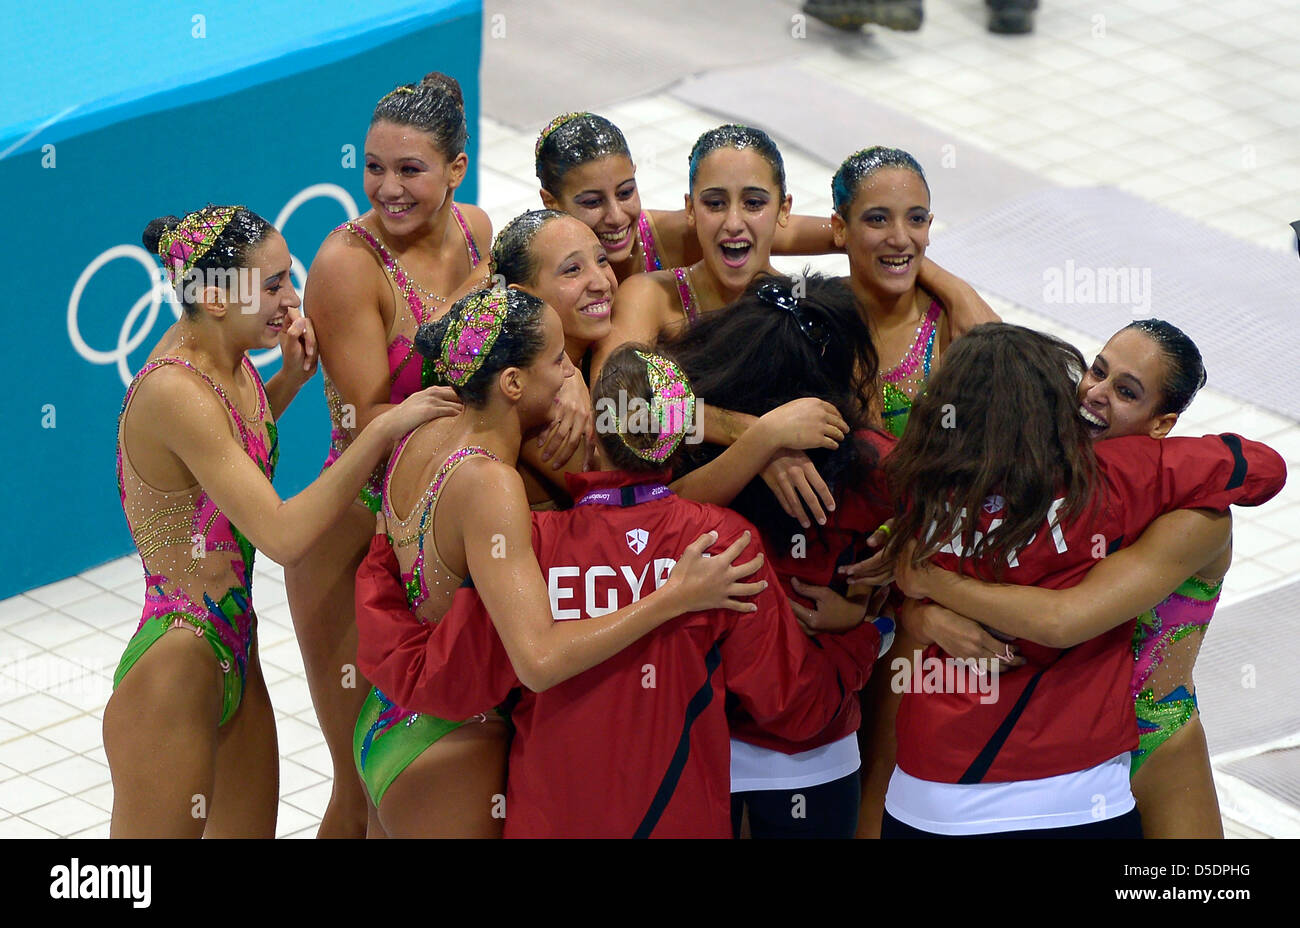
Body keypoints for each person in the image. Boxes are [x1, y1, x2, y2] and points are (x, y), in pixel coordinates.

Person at [355, 343, 894, 837]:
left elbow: (440, 676)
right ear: (678, 446)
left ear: (594, 438)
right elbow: (792, 703)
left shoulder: (532, 548)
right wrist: (864, 635)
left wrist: (383, 555)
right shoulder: (721, 547)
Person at [104, 205, 455, 838]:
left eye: (286, 278)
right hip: (176, 663)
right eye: (271, 286)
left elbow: (232, 444)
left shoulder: (228, 362)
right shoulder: (174, 391)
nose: (291, 300)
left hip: (233, 648)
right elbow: (283, 534)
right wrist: (377, 432)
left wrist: (291, 380)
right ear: (213, 297)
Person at [873, 323, 1285, 837]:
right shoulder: (1027, 481)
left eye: (1125, 392)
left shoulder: (1192, 516)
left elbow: (1063, 618)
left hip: (1152, 735)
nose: (1095, 393)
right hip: (1046, 744)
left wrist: (928, 584)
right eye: (1098, 370)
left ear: (1162, 424)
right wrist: (925, 616)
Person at [282, 72, 504, 838]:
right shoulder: (347, 264)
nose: (387, 188)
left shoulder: (479, 230)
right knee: (359, 781)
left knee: (421, 773)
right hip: (358, 526)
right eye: (373, 166)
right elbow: (368, 414)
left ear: (456, 167)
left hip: (443, 525)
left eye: (409, 169)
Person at [662, 272, 897, 837]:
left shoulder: (678, 444)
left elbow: (648, 518)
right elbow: (959, 535)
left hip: (694, 735)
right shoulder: (876, 465)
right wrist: (874, 620)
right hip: (811, 754)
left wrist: (754, 441)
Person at [535, 112, 839, 284]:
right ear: (551, 203)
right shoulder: (534, 261)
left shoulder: (670, 236)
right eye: (592, 202)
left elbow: (774, 228)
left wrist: (856, 233)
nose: (615, 216)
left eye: (626, 192)